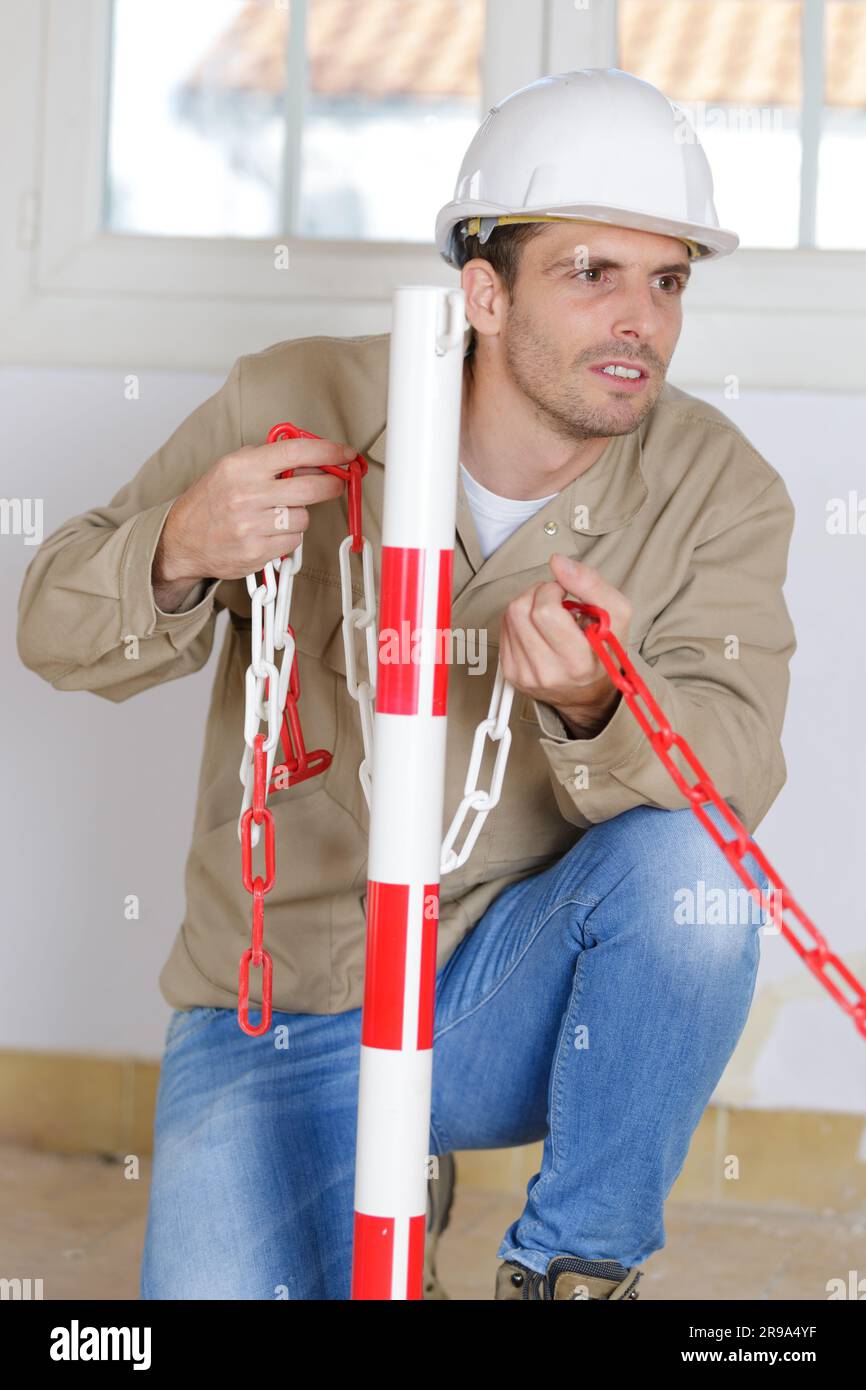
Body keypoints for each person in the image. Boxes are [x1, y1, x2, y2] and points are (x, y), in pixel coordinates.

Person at [17, 69, 795, 1301]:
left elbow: (734, 766)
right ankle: (381, 1181)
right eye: (591, 272)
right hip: (277, 997)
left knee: (693, 880)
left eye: (666, 280)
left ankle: (570, 1269)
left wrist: (599, 704)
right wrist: (176, 547)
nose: (637, 318)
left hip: (496, 996)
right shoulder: (292, 400)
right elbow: (49, 628)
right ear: (482, 292)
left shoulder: (719, 486)